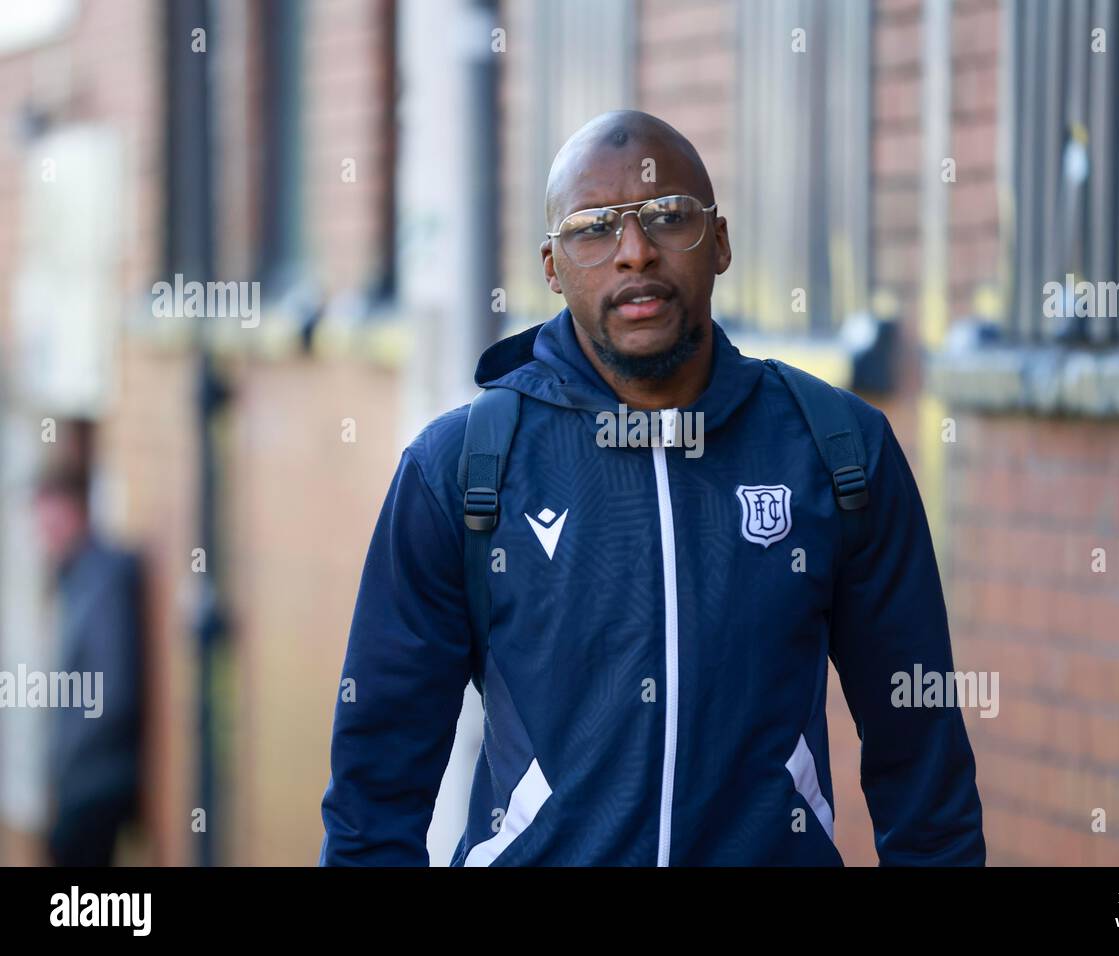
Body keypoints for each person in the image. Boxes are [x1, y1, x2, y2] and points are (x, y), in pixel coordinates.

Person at [319, 110, 985, 866]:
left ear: (721, 242)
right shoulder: (462, 469)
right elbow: (376, 789)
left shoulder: (836, 451)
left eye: (669, 217)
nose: (634, 253)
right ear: (551, 267)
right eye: (594, 229)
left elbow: (922, 755)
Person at [34, 459, 145, 867]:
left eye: (51, 521)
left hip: (97, 784)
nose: (45, 534)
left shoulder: (103, 578)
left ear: (76, 512)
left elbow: (113, 691)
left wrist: (72, 762)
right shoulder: (73, 578)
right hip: (79, 783)